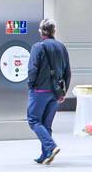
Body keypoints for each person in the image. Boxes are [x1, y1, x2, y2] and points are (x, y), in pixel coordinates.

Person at [27, 17, 71, 164]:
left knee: (33, 120)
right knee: (46, 124)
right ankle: (45, 155)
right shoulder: (61, 47)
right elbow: (68, 71)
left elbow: (33, 69)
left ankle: (51, 146)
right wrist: (64, 91)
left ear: (41, 31)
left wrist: (31, 85)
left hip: (40, 90)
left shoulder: (37, 47)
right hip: (56, 92)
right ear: (54, 31)